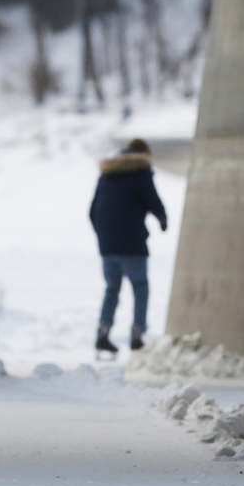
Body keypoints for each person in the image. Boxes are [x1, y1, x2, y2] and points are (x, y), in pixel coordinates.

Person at [89, 137, 170, 354]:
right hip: (133, 244)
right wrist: (163, 219)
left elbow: (93, 211)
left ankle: (103, 333)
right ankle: (137, 334)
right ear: (144, 155)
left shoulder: (107, 173)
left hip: (108, 246)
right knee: (140, 286)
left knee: (111, 289)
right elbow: (153, 200)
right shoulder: (140, 172)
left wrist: (104, 237)